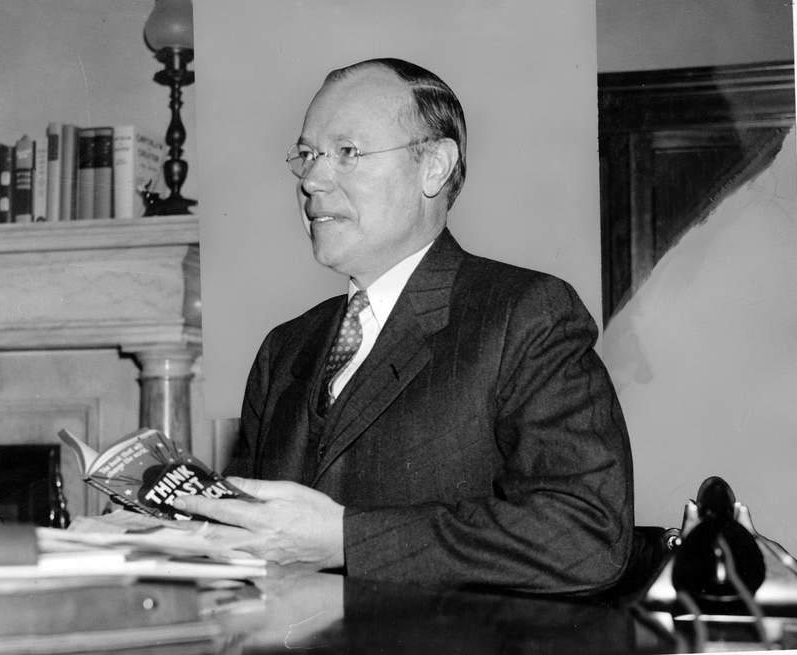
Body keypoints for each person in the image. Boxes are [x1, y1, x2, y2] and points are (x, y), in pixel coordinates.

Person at [175, 57, 634, 593]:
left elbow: (587, 537)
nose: (312, 181)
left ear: (434, 166)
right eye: (306, 155)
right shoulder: (284, 348)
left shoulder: (525, 314)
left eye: (347, 153)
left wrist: (346, 540)